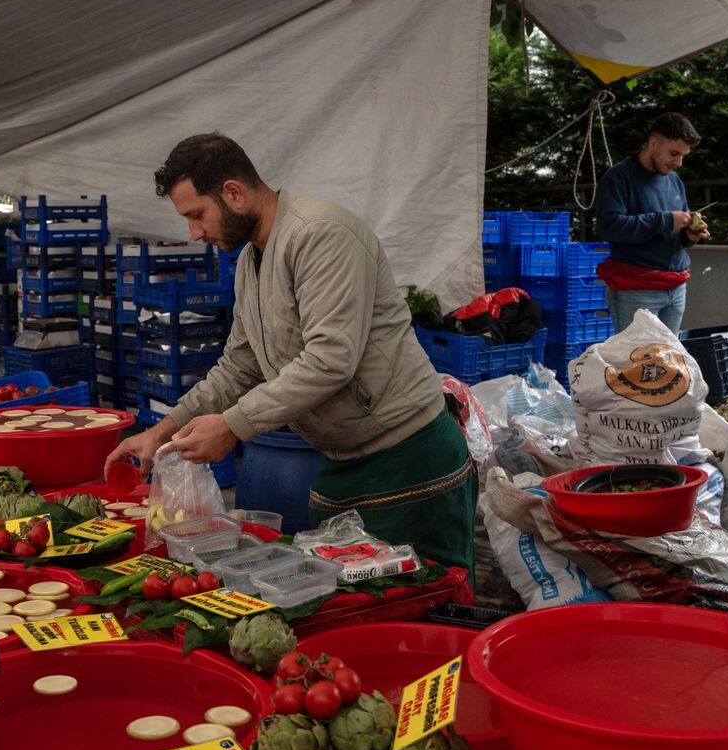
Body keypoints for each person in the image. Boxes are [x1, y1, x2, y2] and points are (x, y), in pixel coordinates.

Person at [105, 132, 476, 578]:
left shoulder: (320, 234)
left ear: (234, 193)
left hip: (409, 459)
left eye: (197, 215)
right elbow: (239, 366)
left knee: (430, 604)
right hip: (343, 462)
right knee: (355, 611)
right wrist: (166, 428)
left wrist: (232, 426)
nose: (195, 232)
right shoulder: (250, 263)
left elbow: (331, 359)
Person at [595, 112, 709, 334]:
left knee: (668, 364)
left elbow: (675, 236)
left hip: (676, 287)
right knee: (635, 364)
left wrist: (689, 235)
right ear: (652, 143)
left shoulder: (675, 180)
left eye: (684, 156)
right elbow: (608, 227)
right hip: (635, 289)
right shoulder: (618, 176)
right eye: (674, 153)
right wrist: (666, 220)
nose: (678, 162)